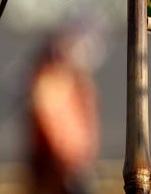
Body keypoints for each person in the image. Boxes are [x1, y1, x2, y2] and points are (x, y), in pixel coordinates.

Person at [25, 22, 100, 194]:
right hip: (57, 172)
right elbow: (55, 133)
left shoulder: (78, 86)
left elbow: (86, 130)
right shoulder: (47, 85)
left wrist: (82, 162)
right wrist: (69, 163)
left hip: (74, 169)